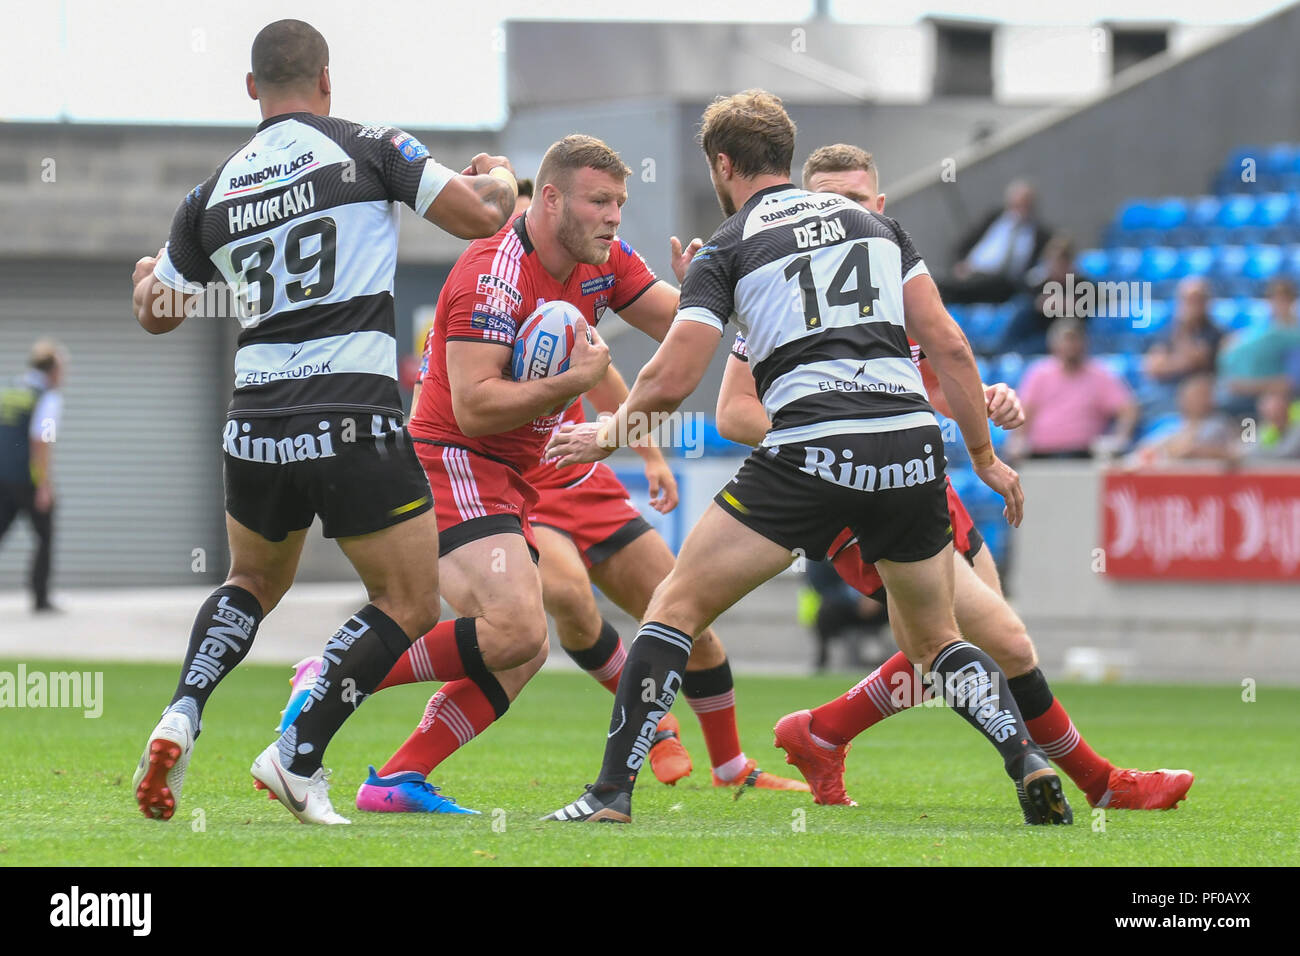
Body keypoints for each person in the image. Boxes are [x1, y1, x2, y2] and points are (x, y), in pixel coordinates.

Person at [543, 90, 1071, 825]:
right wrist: (983, 456)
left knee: (675, 608)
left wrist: (607, 435)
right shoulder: (880, 226)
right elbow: (948, 345)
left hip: (812, 445)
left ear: (722, 164)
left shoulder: (728, 244)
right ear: (789, 157)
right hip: (912, 447)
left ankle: (609, 795)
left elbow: (673, 375)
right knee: (937, 638)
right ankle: (1025, 759)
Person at [317, 137, 805, 814]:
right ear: (545, 201)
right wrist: (599, 404)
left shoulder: (597, 263)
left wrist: (709, 290)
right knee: (555, 608)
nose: (613, 217)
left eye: (619, 204)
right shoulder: (497, 268)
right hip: (478, 464)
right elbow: (480, 405)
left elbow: (668, 335)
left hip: (567, 458)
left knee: (669, 607)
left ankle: (725, 763)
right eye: (599, 202)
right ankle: (340, 677)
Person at [716, 144, 1192, 812]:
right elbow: (732, 411)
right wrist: (832, 431)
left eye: (853, 202)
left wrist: (987, 398)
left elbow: (936, 377)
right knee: (1001, 641)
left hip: (922, 483)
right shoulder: (788, 296)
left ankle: (824, 730)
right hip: (851, 487)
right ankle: (1101, 782)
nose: (838, 216)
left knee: (956, 650)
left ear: (878, 208)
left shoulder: (892, 280)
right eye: (825, 201)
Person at [128, 18, 518, 825]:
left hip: (256, 423)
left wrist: (145, 278)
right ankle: (298, 751)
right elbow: (482, 217)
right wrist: (505, 180)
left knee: (250, 582)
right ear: (327, 80)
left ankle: (184, 709)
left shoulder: (213, 193)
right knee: (409, 601)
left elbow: (158, 311)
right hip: (352, 417)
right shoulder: (369, 146)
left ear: (251, 90)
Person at [0, 339, 67, 613]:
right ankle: (41, 598)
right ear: (52, 370)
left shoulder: (8, 390)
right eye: (63, 368)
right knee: (45, 536)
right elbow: (41, 441)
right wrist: (44, 485)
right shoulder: (48, 397)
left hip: (2, 477)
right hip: (27, 479)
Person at [1016, 317, 1138, 459]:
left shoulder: (1100, 374)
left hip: (1084, 456)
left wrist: (1119, 439)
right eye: (1066, 340)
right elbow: (1024, 412)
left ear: (1085, 342)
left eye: (1075, 340)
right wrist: (1017, 440)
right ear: (1053, 344)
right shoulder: (1039, 373)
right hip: (1039, 454)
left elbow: (1128, 409)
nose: (1070, 346)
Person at [940, 180, 1052, 304]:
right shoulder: (994, 218)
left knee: (986, 283)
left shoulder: (1040, 236)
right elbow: (963, 244)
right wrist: (959, 265)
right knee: (939, 283)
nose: (1020, 211)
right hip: (971, 272)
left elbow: (1033, 273)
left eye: (1025, 206)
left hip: (1003, 284)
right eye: (1016, 205)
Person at [1217, 277, 1300, 418]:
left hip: (1277, 398)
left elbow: (1291, 382)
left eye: (1283, 299)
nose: (1278, 304)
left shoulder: (1294, 335)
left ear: (1292, 300)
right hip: (1243, 393)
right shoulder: (1258, 330)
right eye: (1273, 299)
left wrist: (1245, 386)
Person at [1129, 374, 1236, 466]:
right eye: (1191, 395)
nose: (1196, 400)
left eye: (1202, 395)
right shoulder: (1167, 423)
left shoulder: (1220, 425)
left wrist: (1200, 451)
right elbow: (1144, 451)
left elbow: (1235, 454)